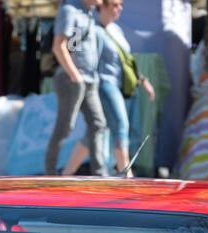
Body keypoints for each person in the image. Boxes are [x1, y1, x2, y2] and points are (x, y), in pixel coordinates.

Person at [61, 0, 154, 176]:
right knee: (120, 125)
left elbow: (126, 62)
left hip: (116, 86)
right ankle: (126, 174)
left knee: (95, 130)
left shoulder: (116, 30)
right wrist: (75, 76)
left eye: (121, 5)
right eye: (114, 4)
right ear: (101, 6)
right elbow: (71, 48)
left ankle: (66, 173)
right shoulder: (86, 24)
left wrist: (143, 80)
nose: (119, 9)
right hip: (102, 84)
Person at [45, 0, 107, 177]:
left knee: (98, 124)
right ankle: (49, 172)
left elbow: (75, 45)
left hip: (89, 79)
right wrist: (75, 76)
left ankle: (100, 173)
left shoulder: (87, 14)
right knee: (65, 126)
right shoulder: (69, 10)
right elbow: (59, 46)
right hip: (72, 79)